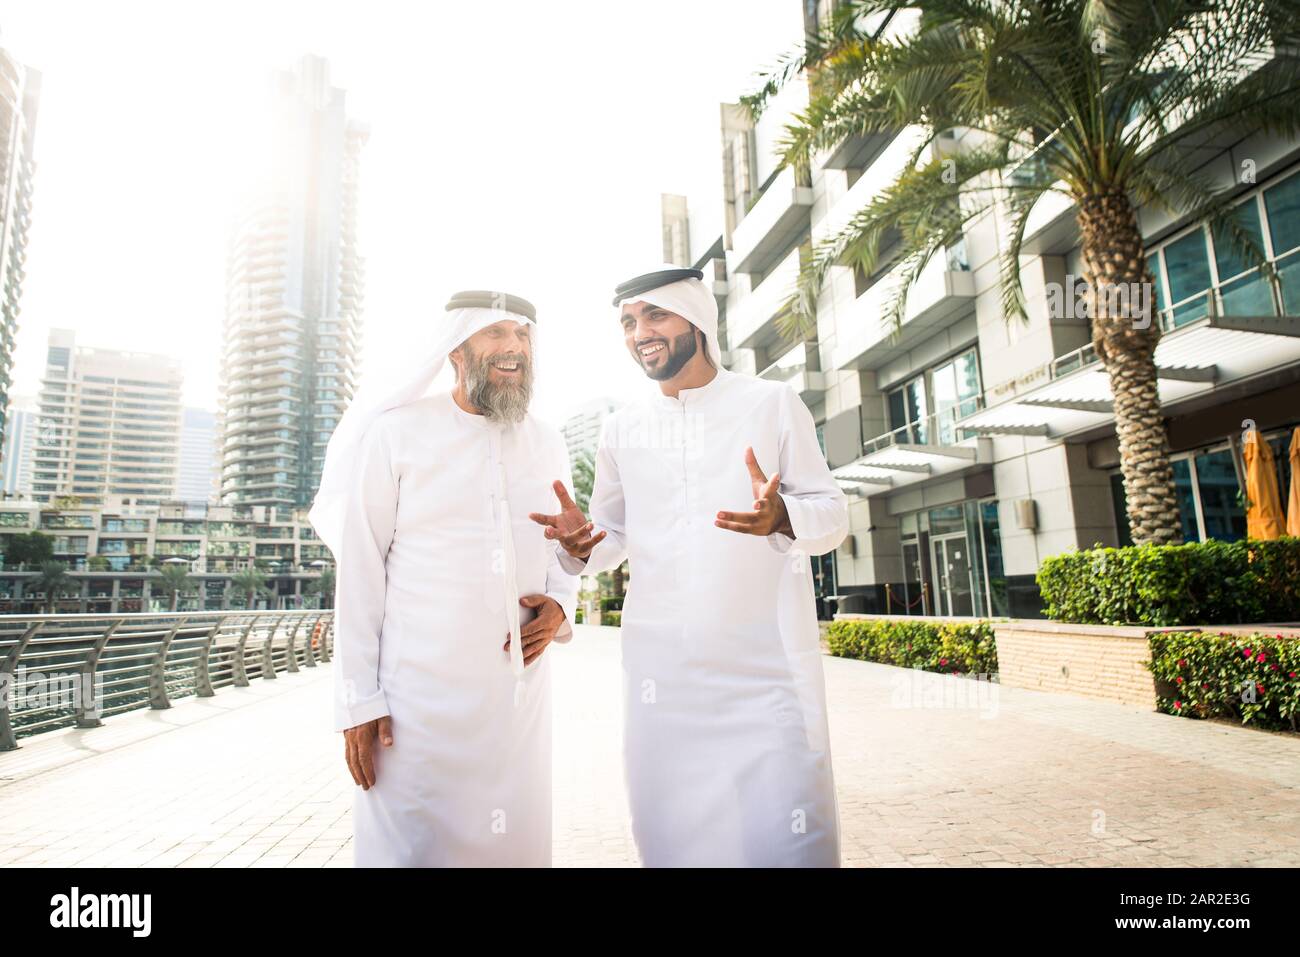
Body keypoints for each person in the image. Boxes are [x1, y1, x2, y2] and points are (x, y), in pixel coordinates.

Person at [530, 266, 848, 867]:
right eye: (628, 323)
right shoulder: (621, 427)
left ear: (697, 319)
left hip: (763, 673)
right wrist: (576, 548)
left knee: (788, 836)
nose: (639, 333)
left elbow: (832, 516)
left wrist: (782, 515)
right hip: (660, 682)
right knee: (673, 840)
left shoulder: (771, 403)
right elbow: (611, 537)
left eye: (655, 316)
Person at [310, 290, 578, 867]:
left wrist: (562, 604)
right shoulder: (396, 432)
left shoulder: (548, 441)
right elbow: (360, 570)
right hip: (412, 708)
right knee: (412, 849)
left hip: (516, 702)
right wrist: (358, 700)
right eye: (497, 333)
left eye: (524, 336)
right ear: (457, 347)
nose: (514, 348)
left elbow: (564, 551)